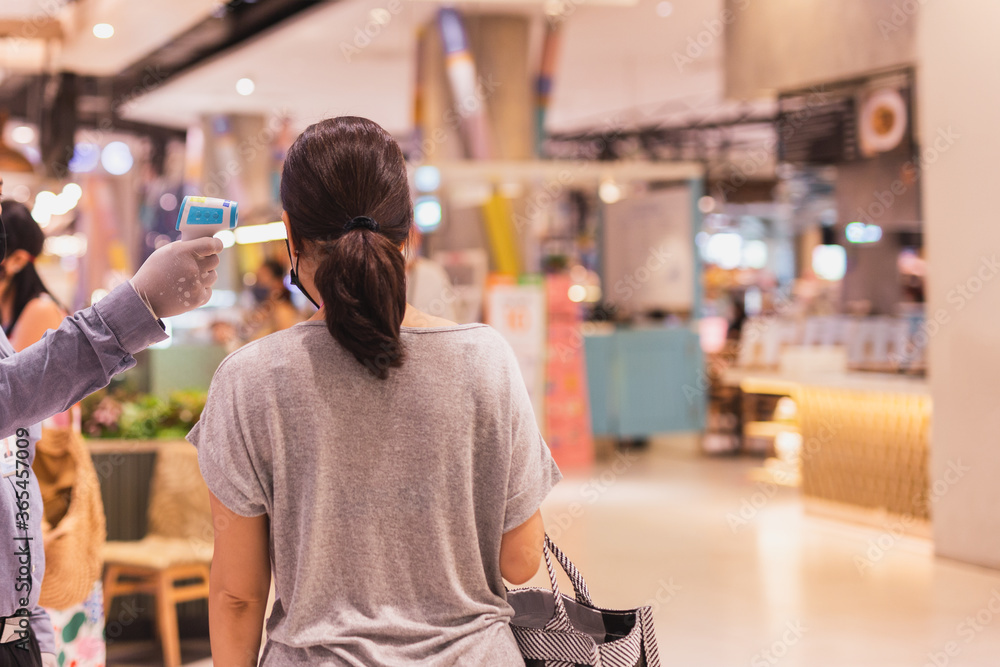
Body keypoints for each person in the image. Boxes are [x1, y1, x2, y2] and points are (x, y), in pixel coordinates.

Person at [189, 116, 561, 666]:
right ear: (408, 234)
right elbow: (522, 559)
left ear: (290, 235)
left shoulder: (249, 379)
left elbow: (239, 594)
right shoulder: (486, 359)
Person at [0, 177, 225, 666]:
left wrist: (27, 625)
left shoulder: (19, 316)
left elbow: (17, 456)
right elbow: (11, 396)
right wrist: (137, 304)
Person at [405, 226, 458, 322]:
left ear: (419, 240)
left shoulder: (433, 273)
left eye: (412, 237)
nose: (406, 244)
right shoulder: (378, 272)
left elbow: (449, 320)